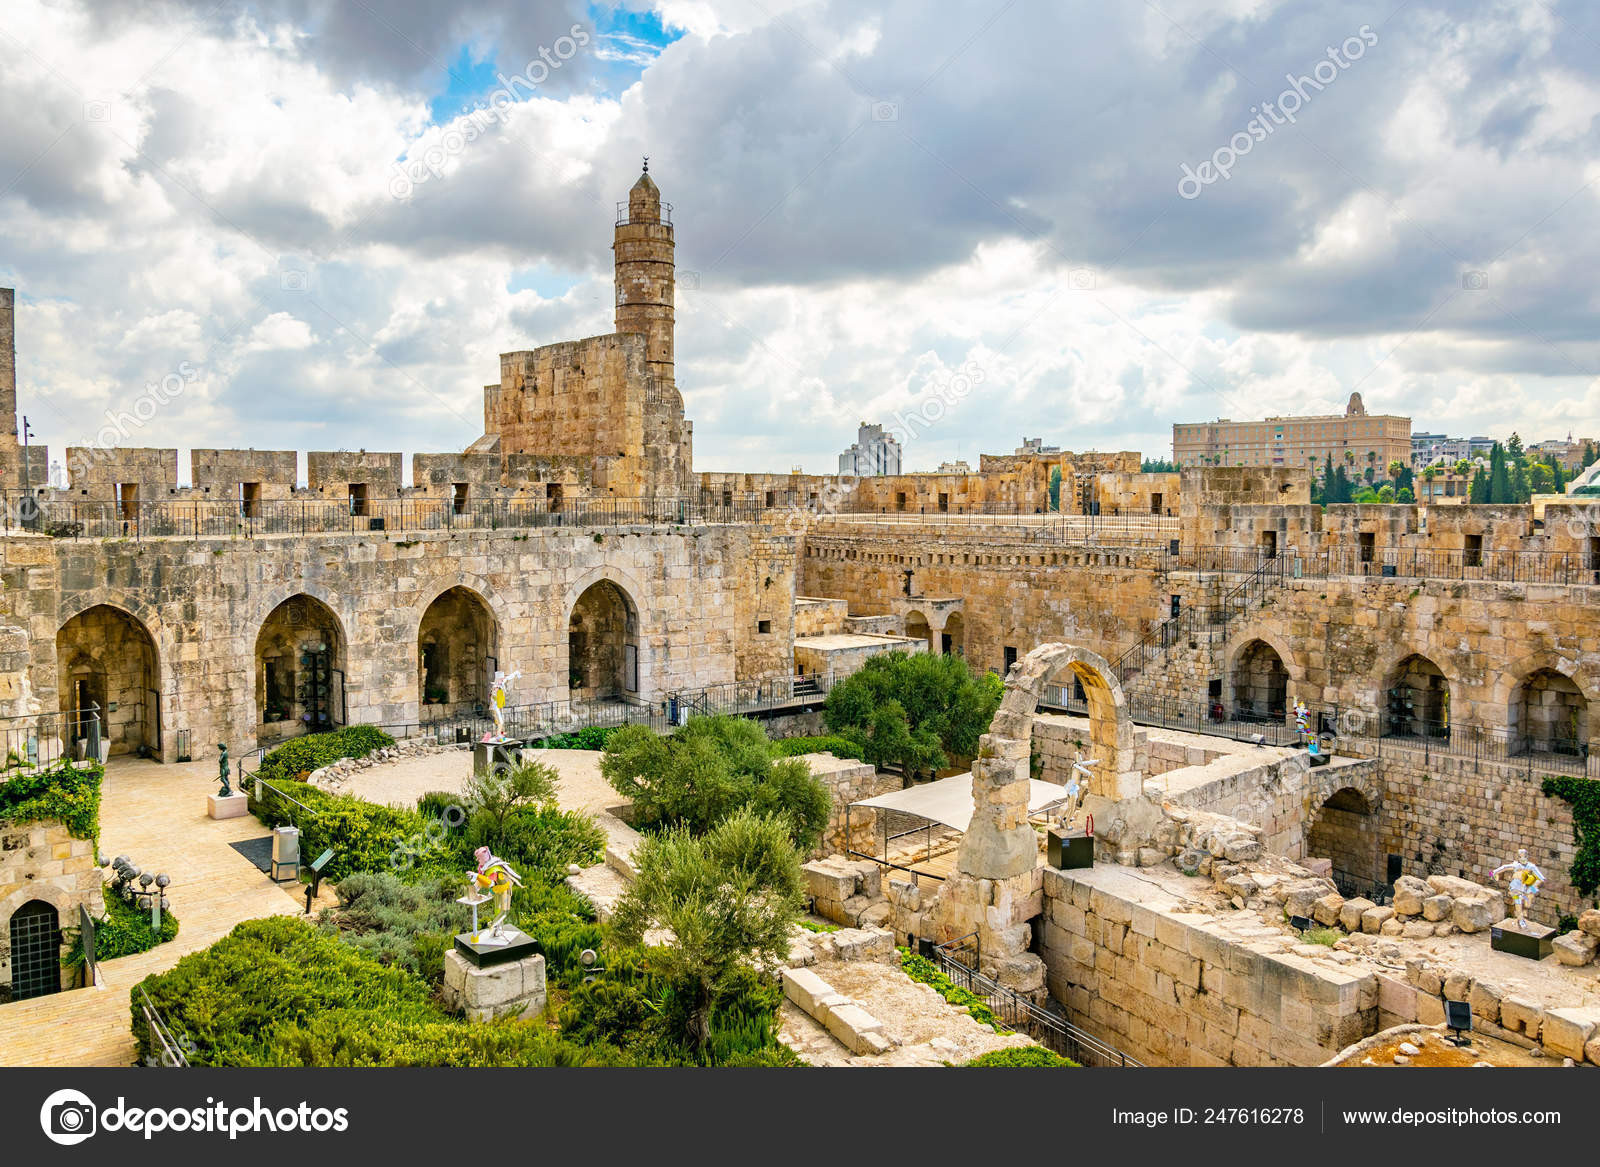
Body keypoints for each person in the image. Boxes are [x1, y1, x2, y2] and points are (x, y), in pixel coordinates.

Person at [1491, 848, 1546, 931]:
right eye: (1520, 857)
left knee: (1527, 903)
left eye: (1524, 856)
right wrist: (1494, 872)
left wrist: (1532, 887)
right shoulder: (1516, 865)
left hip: (1527, 888)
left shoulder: (1531, 866)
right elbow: (1505, 867)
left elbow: (1542, 879)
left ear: (1527, 857)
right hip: (1515, 887)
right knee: (1518, 901)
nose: (1522, 858)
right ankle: (1520, 920)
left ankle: (1522, 917)